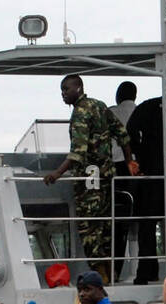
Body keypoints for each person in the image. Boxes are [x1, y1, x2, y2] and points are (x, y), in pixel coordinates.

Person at [43, 75, 139, 284]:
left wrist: (56, 174)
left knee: (88, 228)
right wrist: (129, 161)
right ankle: (110, 271)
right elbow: (123, 135)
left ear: (78, 88)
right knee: (105, 224)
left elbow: (77, 152)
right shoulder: (100, 105)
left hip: (88, 180)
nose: (63, 94)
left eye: (66, 89)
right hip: (106, 176)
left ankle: (101, 274)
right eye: (62, 90)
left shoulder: (80, 113)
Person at [127, 77, 166, 285]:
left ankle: (146, 271)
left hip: (151, 174)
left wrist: (140, 154)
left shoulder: (148, 106)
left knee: (147, 225)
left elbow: (130, 131)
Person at [110, 82, 139, 283]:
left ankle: (116, 272)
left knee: (118, 224)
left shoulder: (112, 112)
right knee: (138, 220)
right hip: (137, 167)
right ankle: (136, 271)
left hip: (117, 169)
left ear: (118, 95)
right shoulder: (141, 112)